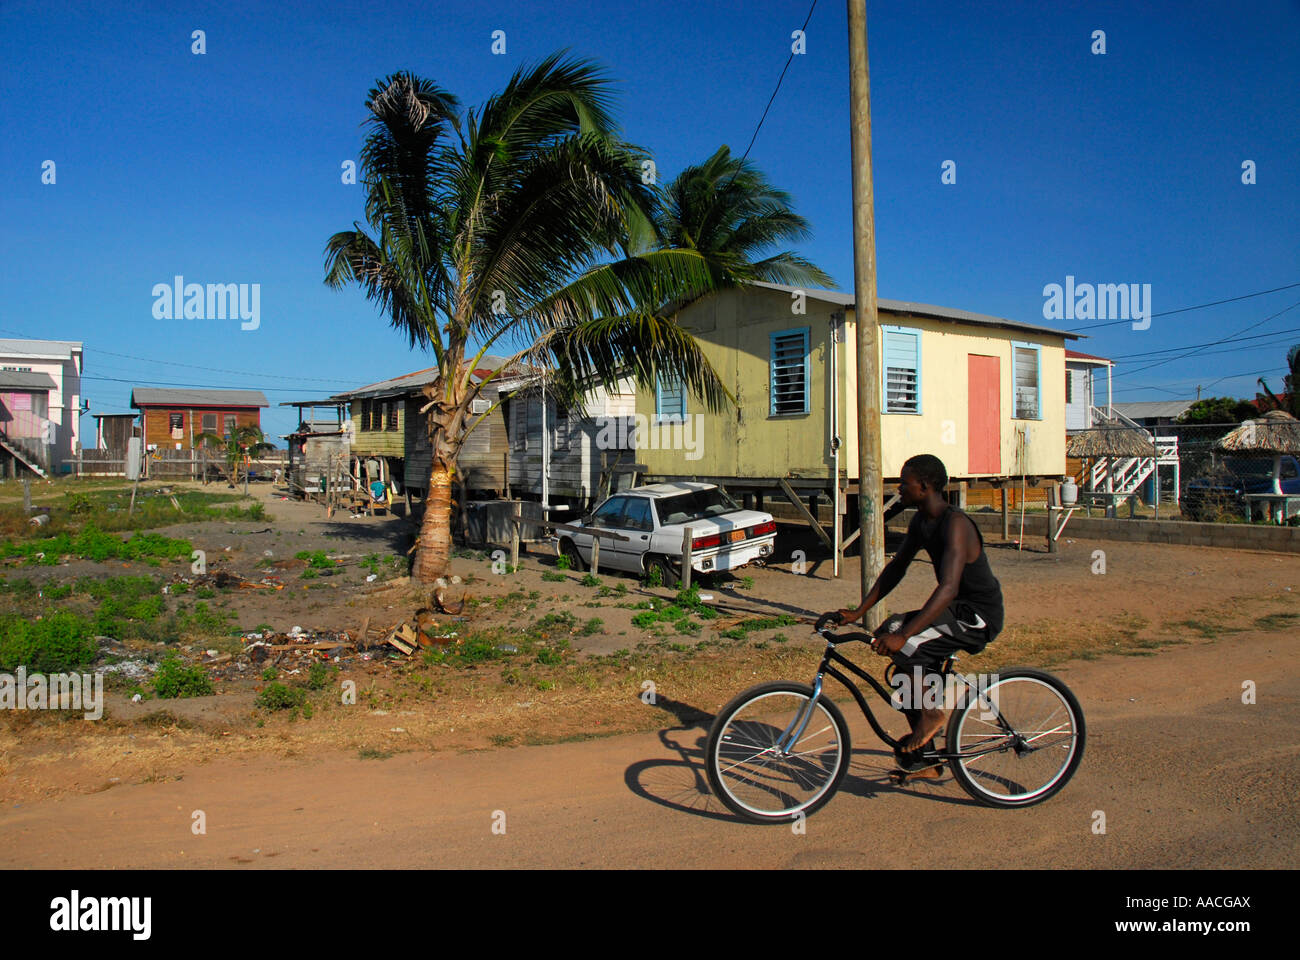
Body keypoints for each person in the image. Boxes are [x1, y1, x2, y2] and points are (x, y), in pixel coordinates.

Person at [817, 454, 1004, 775]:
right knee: (894, 643)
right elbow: (896, 568)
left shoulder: (956, 524)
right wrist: (859, 612)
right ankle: (927, 760)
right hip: (954, 610)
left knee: (906, 643)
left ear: (925, 485)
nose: (899, 488)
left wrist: (905, 635)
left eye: (904, 482)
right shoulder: (921, 521)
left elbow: (947, 587)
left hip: (977, 615)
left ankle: (931, 717)